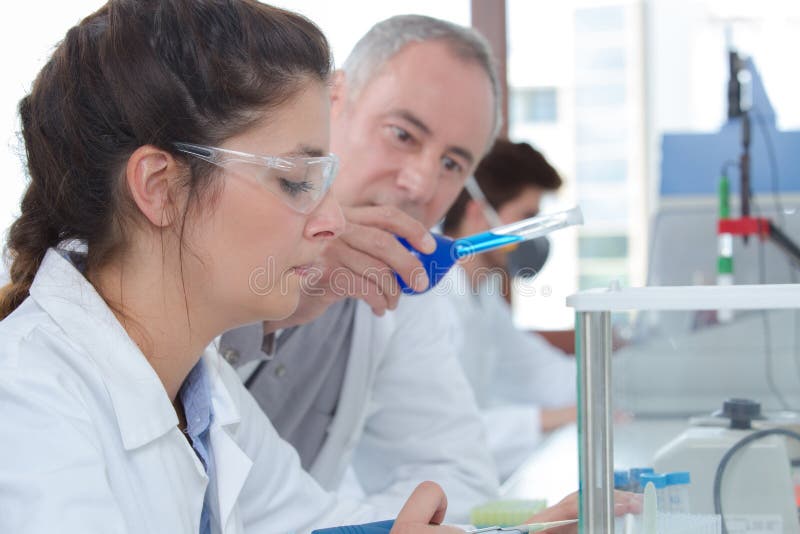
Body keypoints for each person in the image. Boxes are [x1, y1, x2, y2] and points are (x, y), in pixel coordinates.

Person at [0, 2, 465, 533]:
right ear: (160, 186)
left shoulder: (205, 392)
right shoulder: (26, 407)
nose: (333, 221)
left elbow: (314, 524)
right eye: (296, 180)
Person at [218, 14, 642, 528]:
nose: (420, 183)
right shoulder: (216, 215)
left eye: (452, 165)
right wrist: (273, 312)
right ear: (333, 99)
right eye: (402, 134)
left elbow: (457, 478)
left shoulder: (406, 295)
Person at [440, 139, 577, 481]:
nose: (535, 234)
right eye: (526, 218)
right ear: (477, 215)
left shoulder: (483, 296)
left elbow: (540, 372)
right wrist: (558, 417)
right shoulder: (433, 299)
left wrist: (620, 386)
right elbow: (441, 430)